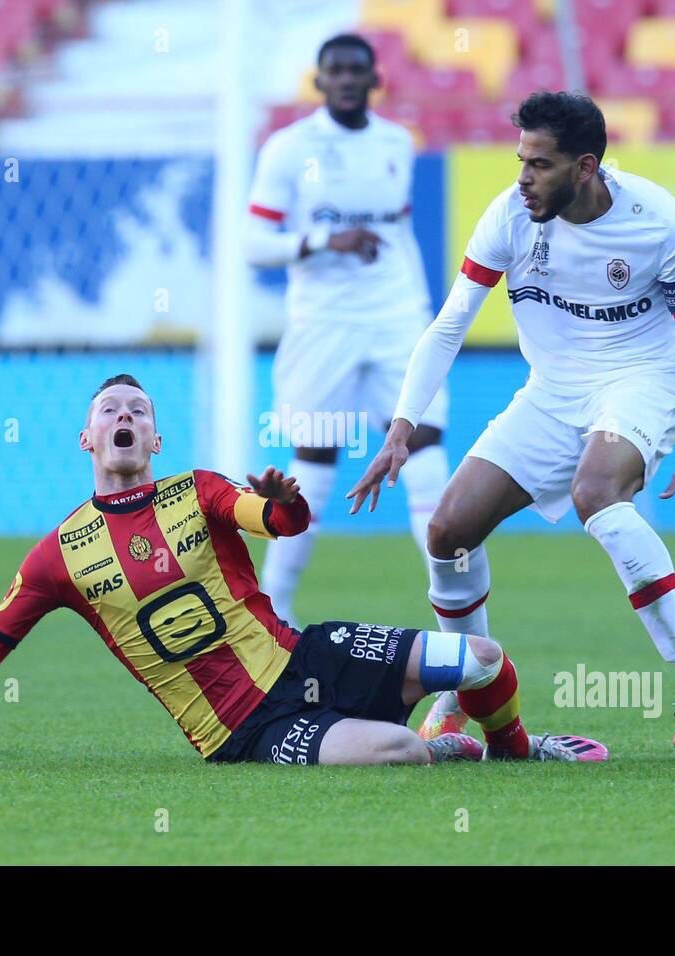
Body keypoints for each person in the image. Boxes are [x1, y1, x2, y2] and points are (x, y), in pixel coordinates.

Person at [0, 375, 606, 766]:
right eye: (110, 411)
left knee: (480, 659)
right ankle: (443, 742)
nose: (124, 416)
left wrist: (284, 502)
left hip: (308, 656)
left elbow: (279, 524)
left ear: (155, 440)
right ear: (86, 439)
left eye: (138, 410)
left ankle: (516, 753)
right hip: (243, 729)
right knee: (399, 755)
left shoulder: (196, 491)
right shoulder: (58, 556)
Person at [347, 92, 675, 756]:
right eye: (520, 160)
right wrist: (401, 427)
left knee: (598, 494)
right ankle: (462, 686)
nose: (523, 178)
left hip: (640, 381)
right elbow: (449, 326)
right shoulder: (509, 216)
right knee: (448, 531)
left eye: (541, 164)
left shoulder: (656, 224)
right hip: (551, 392)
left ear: (585, 167)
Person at [245, 33, 449, 626]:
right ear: (318, 80)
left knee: (424, 447)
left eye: (357, 70)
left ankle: (453, 607)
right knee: (314, 459)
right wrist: (321, 241)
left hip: (396, 315)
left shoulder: (395, 143)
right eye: (334, 70)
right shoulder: (288, 148)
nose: (346, 79)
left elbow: (400, 230)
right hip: (324, 321)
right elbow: (252, 244)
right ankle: (273, 610)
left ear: (374, 79)